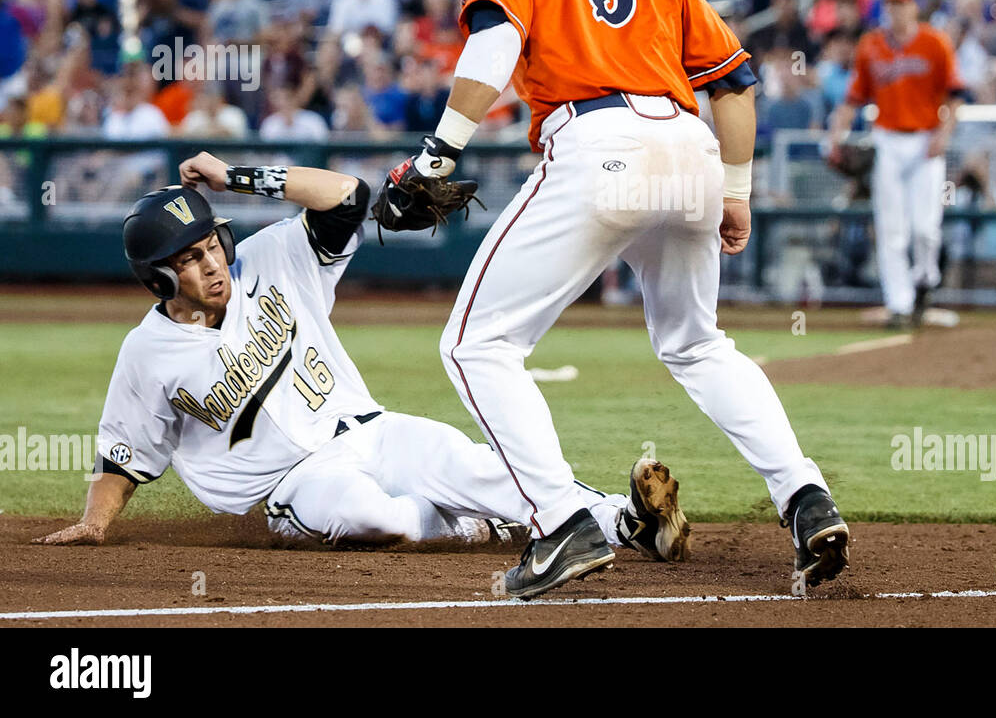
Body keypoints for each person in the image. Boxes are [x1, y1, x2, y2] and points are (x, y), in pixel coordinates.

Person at [372, 0, 847, 599]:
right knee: (698, 344)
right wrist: (736, 192)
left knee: (476, 344)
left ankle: (562, 522)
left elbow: (496, 43)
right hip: (688, 141)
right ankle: (805, 497)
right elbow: (733, 81)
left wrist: (435, 154)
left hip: (596, 142)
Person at [33, 158, 684, 561]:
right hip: (293, 486)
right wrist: (94, 523)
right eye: (188, 260)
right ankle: (469, 529)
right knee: (378, 515)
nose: (210, 266)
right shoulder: (147, 353)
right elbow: (124, 455)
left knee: (490, 470)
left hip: (375, 430)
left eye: (209, 247)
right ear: (156, 279)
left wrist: (235, 177)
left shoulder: (271, 257)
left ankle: (632, 524)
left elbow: (347, 194)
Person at [827, 0, 964, 328]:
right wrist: (835, 136)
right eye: (891, 6)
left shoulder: (935, 42)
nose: (896, 11)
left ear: (913, 8)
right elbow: (854, 97)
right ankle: (899, 304)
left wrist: (944, 133)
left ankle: (925, 281)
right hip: (887, 139)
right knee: (892, 230)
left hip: (925, 141)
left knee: (925, 229)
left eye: (901, 5)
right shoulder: (871, 45)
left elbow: (956, 94)